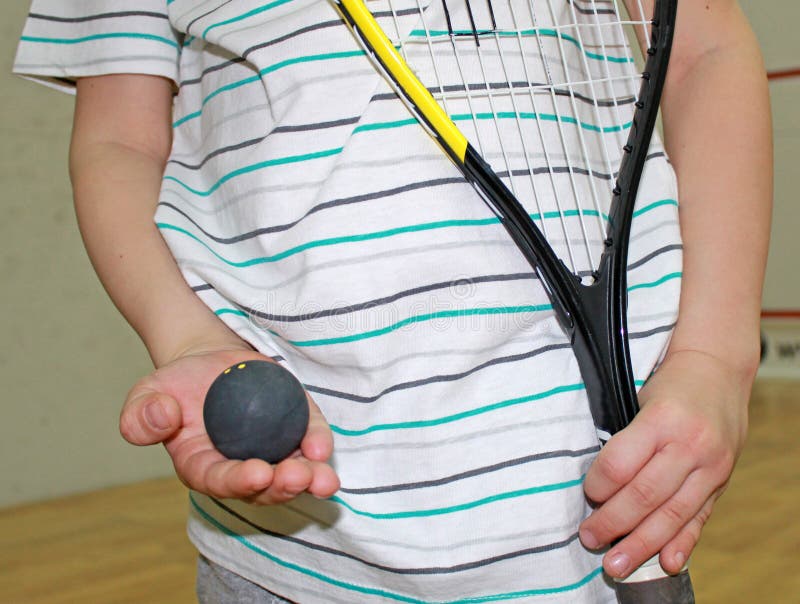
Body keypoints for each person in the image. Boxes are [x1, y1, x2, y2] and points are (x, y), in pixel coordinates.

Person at [14, 0, 771, 602]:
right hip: (288, 559)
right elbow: (118, 139)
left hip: (620, 528)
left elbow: (704, 47)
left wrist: (717, 356)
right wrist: (187, 339)